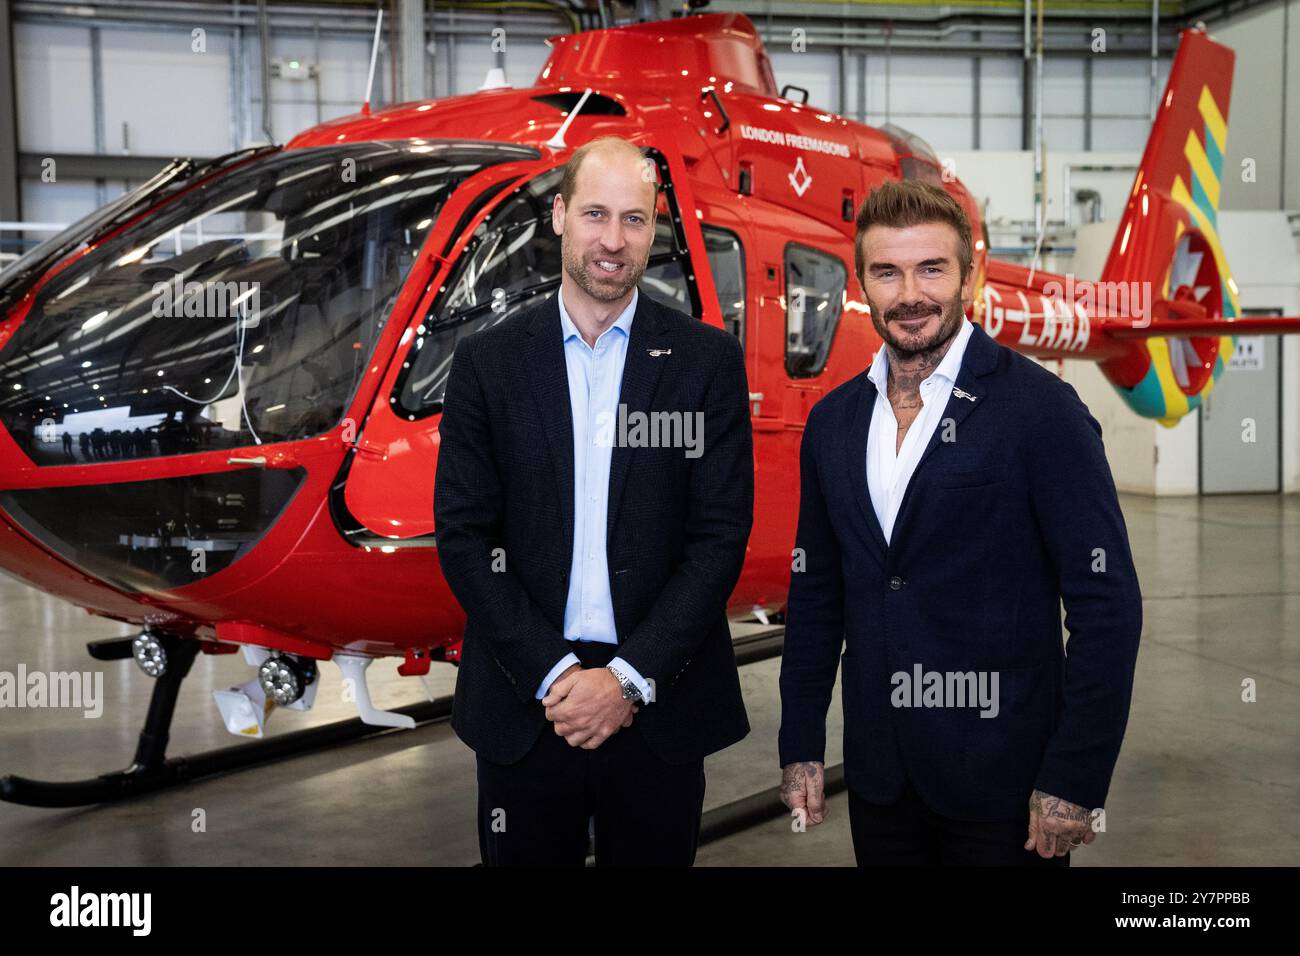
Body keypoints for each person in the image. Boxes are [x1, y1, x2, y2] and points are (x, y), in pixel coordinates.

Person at [777, 179, 1143, 866]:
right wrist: (801, 744)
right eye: (888, 271)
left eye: (931, 269)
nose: (910, 293)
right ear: (863, 281)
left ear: (967, 278)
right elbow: (817, 597)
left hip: (1005, 785)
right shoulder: (833, 424)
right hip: (881, 781)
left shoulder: (1041, 411)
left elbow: (1108, 606)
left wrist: (1073, 779)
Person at [434, 135, 753, 866]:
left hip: (660, 704)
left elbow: (719, 537)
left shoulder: (705, 363)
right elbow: (463, 536)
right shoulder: (490, 362)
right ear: (558, 216)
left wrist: (627, 681)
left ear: (655, 228)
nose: (613, 240)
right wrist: (557, 675)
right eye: (596, 215)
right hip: (525, 701)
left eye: (635, 220)